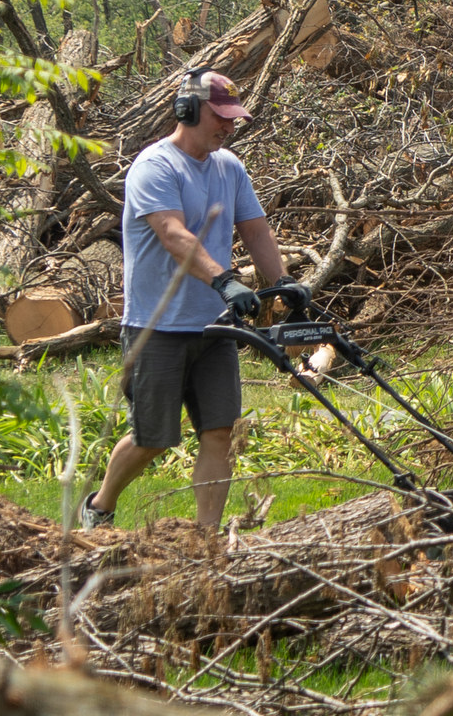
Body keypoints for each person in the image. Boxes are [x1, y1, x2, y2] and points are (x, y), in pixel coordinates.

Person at [77, 69, 306, 530]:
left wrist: (281, 283)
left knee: (220, 432)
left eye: (233, 118)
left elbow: (256, 229)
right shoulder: (154, 166)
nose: (229, 126)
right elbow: (173, 234)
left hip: (214, 328)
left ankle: (206, 540)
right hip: (155, 325)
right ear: (187, 110)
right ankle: (99, 506)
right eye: (220, 117)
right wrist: (224, 280)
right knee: (153, 438)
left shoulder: (229, 167)